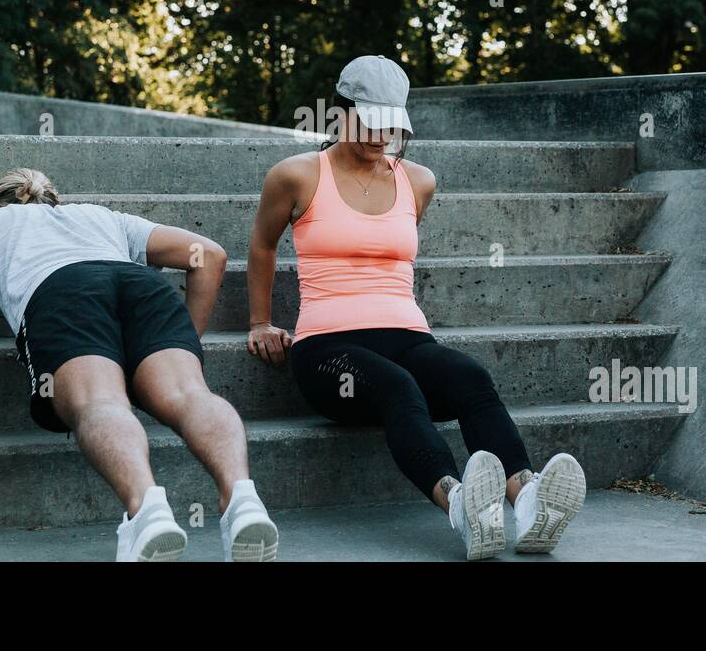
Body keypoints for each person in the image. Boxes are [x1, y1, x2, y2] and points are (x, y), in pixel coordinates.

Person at [247, 55, 586, 560]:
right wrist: (260, 321)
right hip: (327, 350)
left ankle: (530, 500)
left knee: (469, 376)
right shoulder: (295, 175)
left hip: (408, 335)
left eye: (392, 125)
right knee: (397, 386)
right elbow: (262, 245)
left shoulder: (418, 180)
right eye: (370, 122)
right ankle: (462, 507)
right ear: (340, 113)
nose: (382, 136)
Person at [0, 167, 278, 563]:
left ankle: (148, 511)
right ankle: (243, 500)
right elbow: (209, 255)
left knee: (101, 403)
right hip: (143, 289)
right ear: (55, 198)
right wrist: (180, 344)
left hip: (63, 293)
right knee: (188, 393)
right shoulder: (102, 216)